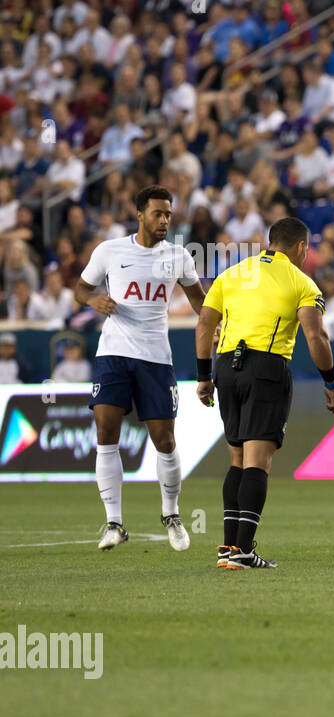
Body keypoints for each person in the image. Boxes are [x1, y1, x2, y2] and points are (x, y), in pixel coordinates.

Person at [195, 218, 334, 570]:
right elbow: (316, 337)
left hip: (226, 367)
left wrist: (204, 376)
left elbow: (204, 323)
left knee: (237, 459)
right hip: (267, 369)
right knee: (258, 462)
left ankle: (229, 548)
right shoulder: (302, 283)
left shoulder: (231, 274)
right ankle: (244, 552)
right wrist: (331, 382)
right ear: (301, 247)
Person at [73, 186, 207, 552]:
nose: (164, 220)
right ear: (140, 214)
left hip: (155, 357)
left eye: (169, 214)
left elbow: (201, 304)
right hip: (113, 353)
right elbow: (80, 289)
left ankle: (171, 514)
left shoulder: (179, 256)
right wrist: (93, 299)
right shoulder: (109, 251)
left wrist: (220, 325)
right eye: (158, 213)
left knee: (164, 439)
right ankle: (114, 523)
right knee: (105, 431)